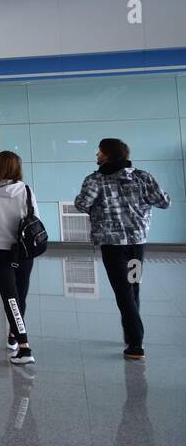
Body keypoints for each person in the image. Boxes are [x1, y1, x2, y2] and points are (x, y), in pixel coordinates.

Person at [73, 138, 171, 361]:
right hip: (137, 244)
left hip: (112, 245)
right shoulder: (142, 177)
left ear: (108, 155)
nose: (97, 156)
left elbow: (81, 204)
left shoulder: (95, 179)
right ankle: (130, 332)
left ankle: (136, 343)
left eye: (99, 152)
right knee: (133, 287)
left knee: (123, 291)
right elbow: (164, 202)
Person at [0, 151, 38, 365]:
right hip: (24, 250)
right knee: (20, 295)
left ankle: (24, 347)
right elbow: (35, 219)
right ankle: (14, 334)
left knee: (10, 297)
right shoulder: (26, 190)